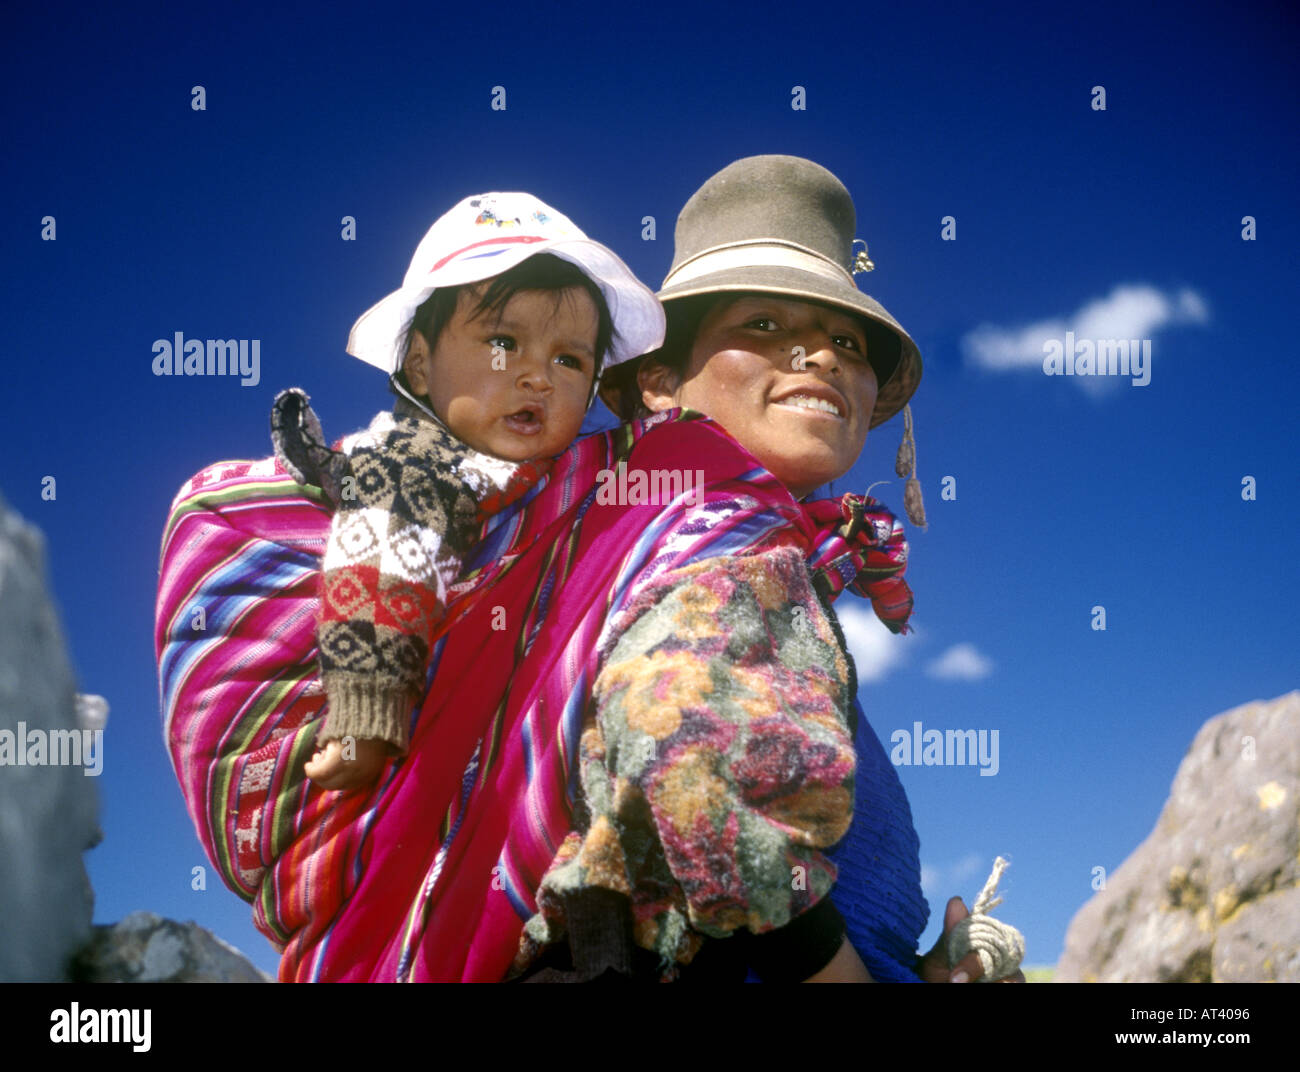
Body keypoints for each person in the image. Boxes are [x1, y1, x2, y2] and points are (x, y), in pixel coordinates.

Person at [267, 192, 664, 791]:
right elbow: (378, 574)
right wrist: (365, 720)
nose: (538, 375)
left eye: (569, 360)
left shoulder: (586, 467)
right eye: (503, 345)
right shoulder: (408, 466)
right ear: (421, 366)